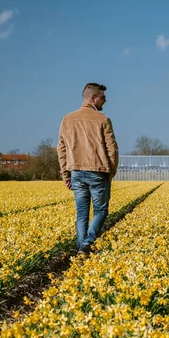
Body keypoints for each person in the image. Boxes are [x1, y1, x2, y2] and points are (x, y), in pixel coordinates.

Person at [57, 83, 119, 255]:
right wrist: (111, 171)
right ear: (93, 98)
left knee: (82, 214)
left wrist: (65, 174)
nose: (105, 101)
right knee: (101, 211)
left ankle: (81, 249)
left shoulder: (67, 119)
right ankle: (88, 243)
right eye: (103, 98)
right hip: (98, 171)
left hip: (76, 172)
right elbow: (112, 149)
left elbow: (61, 149)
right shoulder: (103, 120)